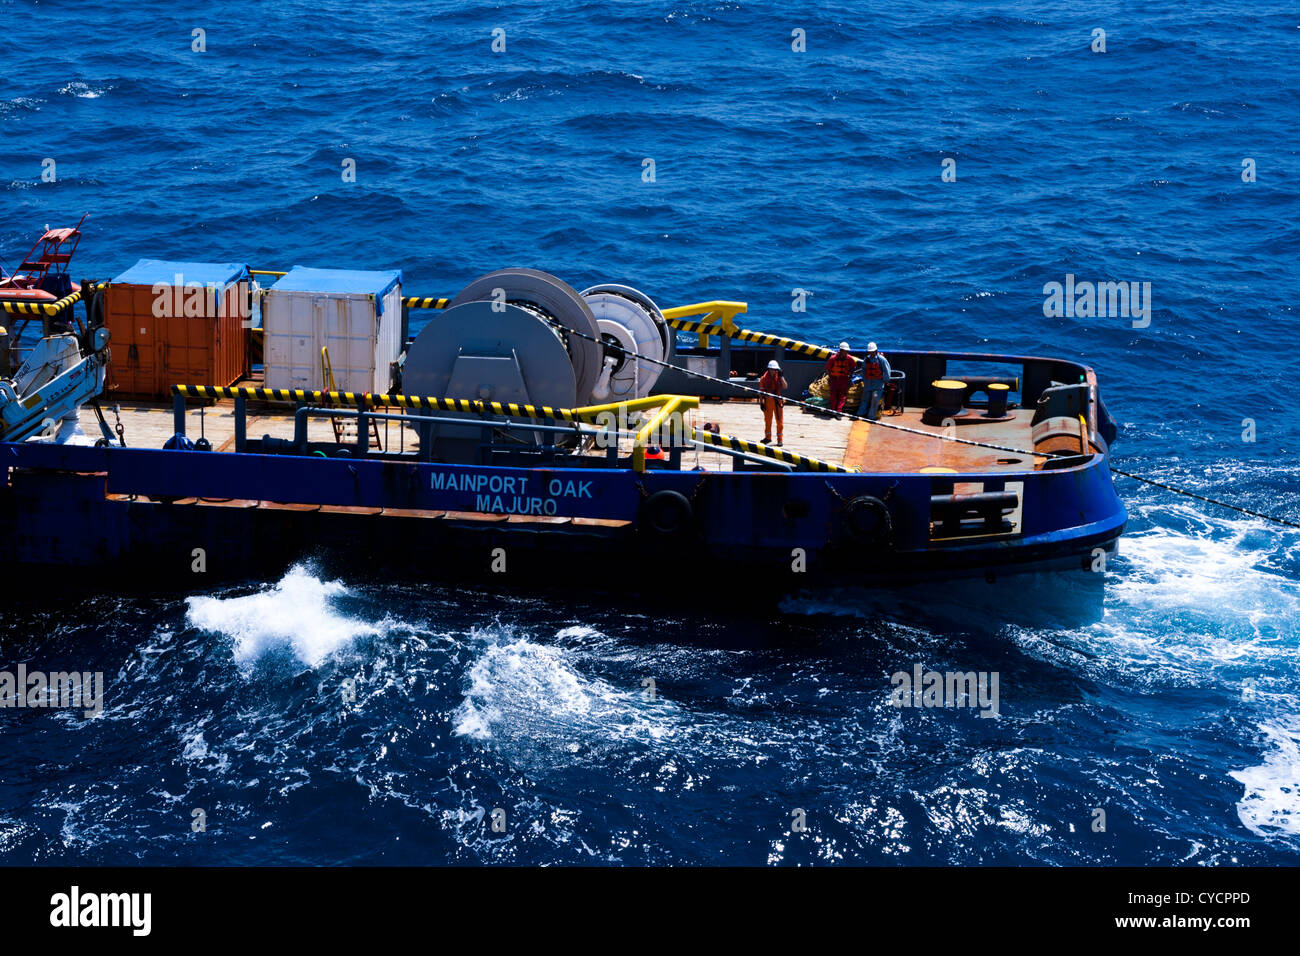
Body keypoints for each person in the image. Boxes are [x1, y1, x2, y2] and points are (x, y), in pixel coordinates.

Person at [855, 342, 892, 420]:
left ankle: (871, 416)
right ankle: (860, 414)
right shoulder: (866, 360)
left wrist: (886, 381)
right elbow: (864, 371)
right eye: (870, 352)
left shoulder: (882, 360)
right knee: (864, 399)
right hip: (868, 384)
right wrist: (864, 380)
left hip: (877, 385)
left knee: (874, 401)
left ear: (876, 351)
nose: (871, 353)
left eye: (872, 352)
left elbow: (886, 371)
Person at [758, 359, 787, 444]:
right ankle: (768, 437)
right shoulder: (763, 378)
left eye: (776, 369)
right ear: (769, 369)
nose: (774, 371)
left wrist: (782, 377)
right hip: (768, 401)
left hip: (778, 400)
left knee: (779, 421)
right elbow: (760, 392)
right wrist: (761, 403)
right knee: (767, 420)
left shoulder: (779, 377)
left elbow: (785, 386)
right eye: (773, 369)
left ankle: (780, 440)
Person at [825, 341, 856, 412]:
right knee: (833, 395)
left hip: (844, 379)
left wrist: (849, 377)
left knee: (842, 396)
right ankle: (833, 410)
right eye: (845, 351)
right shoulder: (833, 358)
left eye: (847, 351)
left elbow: (853, 366)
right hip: (834, 379)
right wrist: (831, 377)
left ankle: (839, 411)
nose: (846, 352)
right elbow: (828, 369)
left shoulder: (849, 358)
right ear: (841, 350)